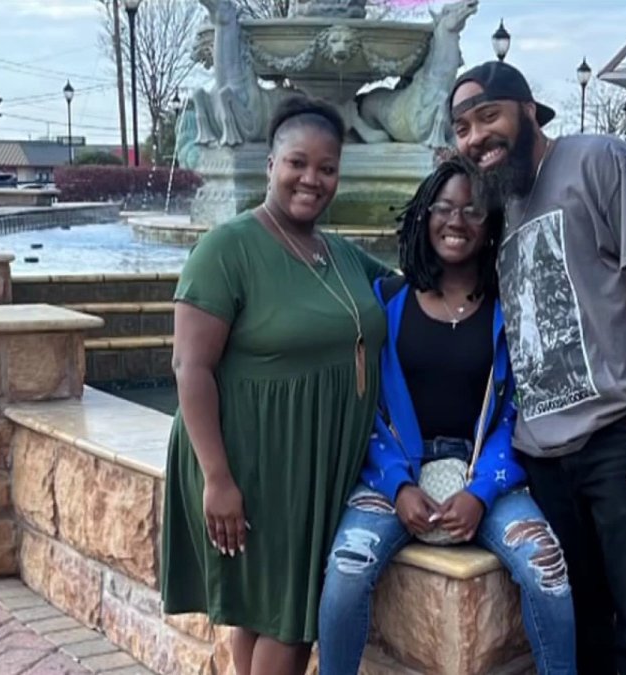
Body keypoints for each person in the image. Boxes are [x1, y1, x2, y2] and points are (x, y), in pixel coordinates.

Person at [448, 61, 626, 675]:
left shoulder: (599, 161)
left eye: (489, 116)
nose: (476, 135)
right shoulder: (498, 207)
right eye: (461, 127)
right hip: (546, 459)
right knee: (580, 633)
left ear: (529, 111)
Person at [160, 94, 393, 675]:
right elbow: (190, 367)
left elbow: (415, 288)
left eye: (327, 168)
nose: (311, 179)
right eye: (297, 163)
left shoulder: (337, 254)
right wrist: (218, 480)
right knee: (290, 624)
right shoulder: (226, 248)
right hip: (247, 461)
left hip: (311, 463)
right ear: (270, 164)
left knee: (264, 614)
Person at [316, 157, 577, 675]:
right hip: (394, 477)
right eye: (444, 207)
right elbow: (367, 407)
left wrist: (480, 493)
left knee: (547, 570)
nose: (456, 221)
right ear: (424, 215)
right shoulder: (386, 301)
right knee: (346, 573)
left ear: (491, 225)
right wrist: (397, 487)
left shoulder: (512, 309)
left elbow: (522, 412)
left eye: (473, 211)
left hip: (489, 477)